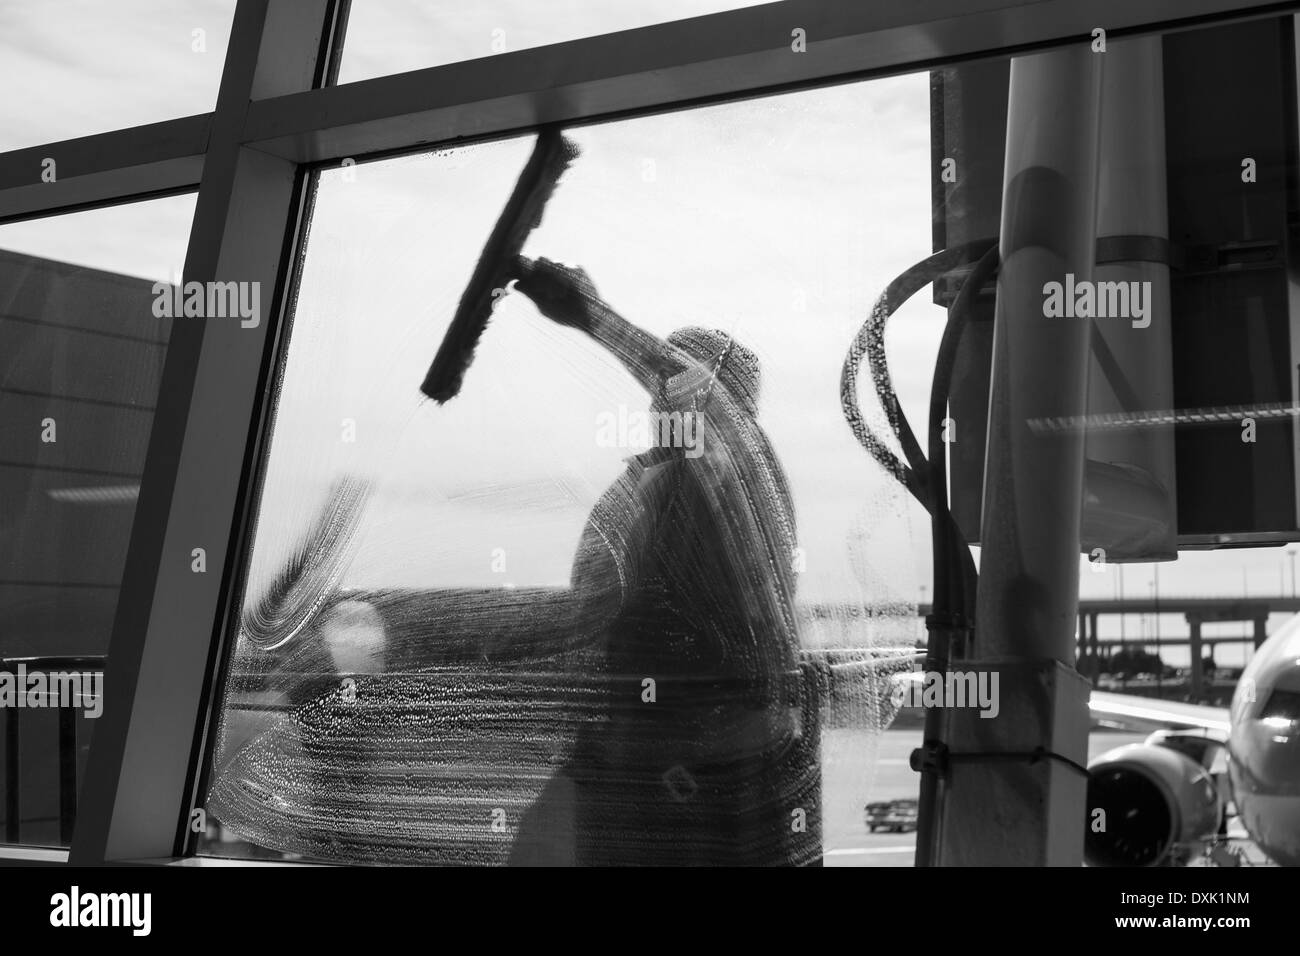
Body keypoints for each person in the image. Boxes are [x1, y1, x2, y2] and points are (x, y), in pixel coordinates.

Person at [507, 258, 818, 866]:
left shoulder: (745, 488)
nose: (661, 397)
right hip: (633, 770)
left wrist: (593, 315)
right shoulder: (638, 490)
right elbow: (592, 618)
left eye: (670, 383)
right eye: (657, 388)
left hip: (721, 780)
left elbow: (703, 400)